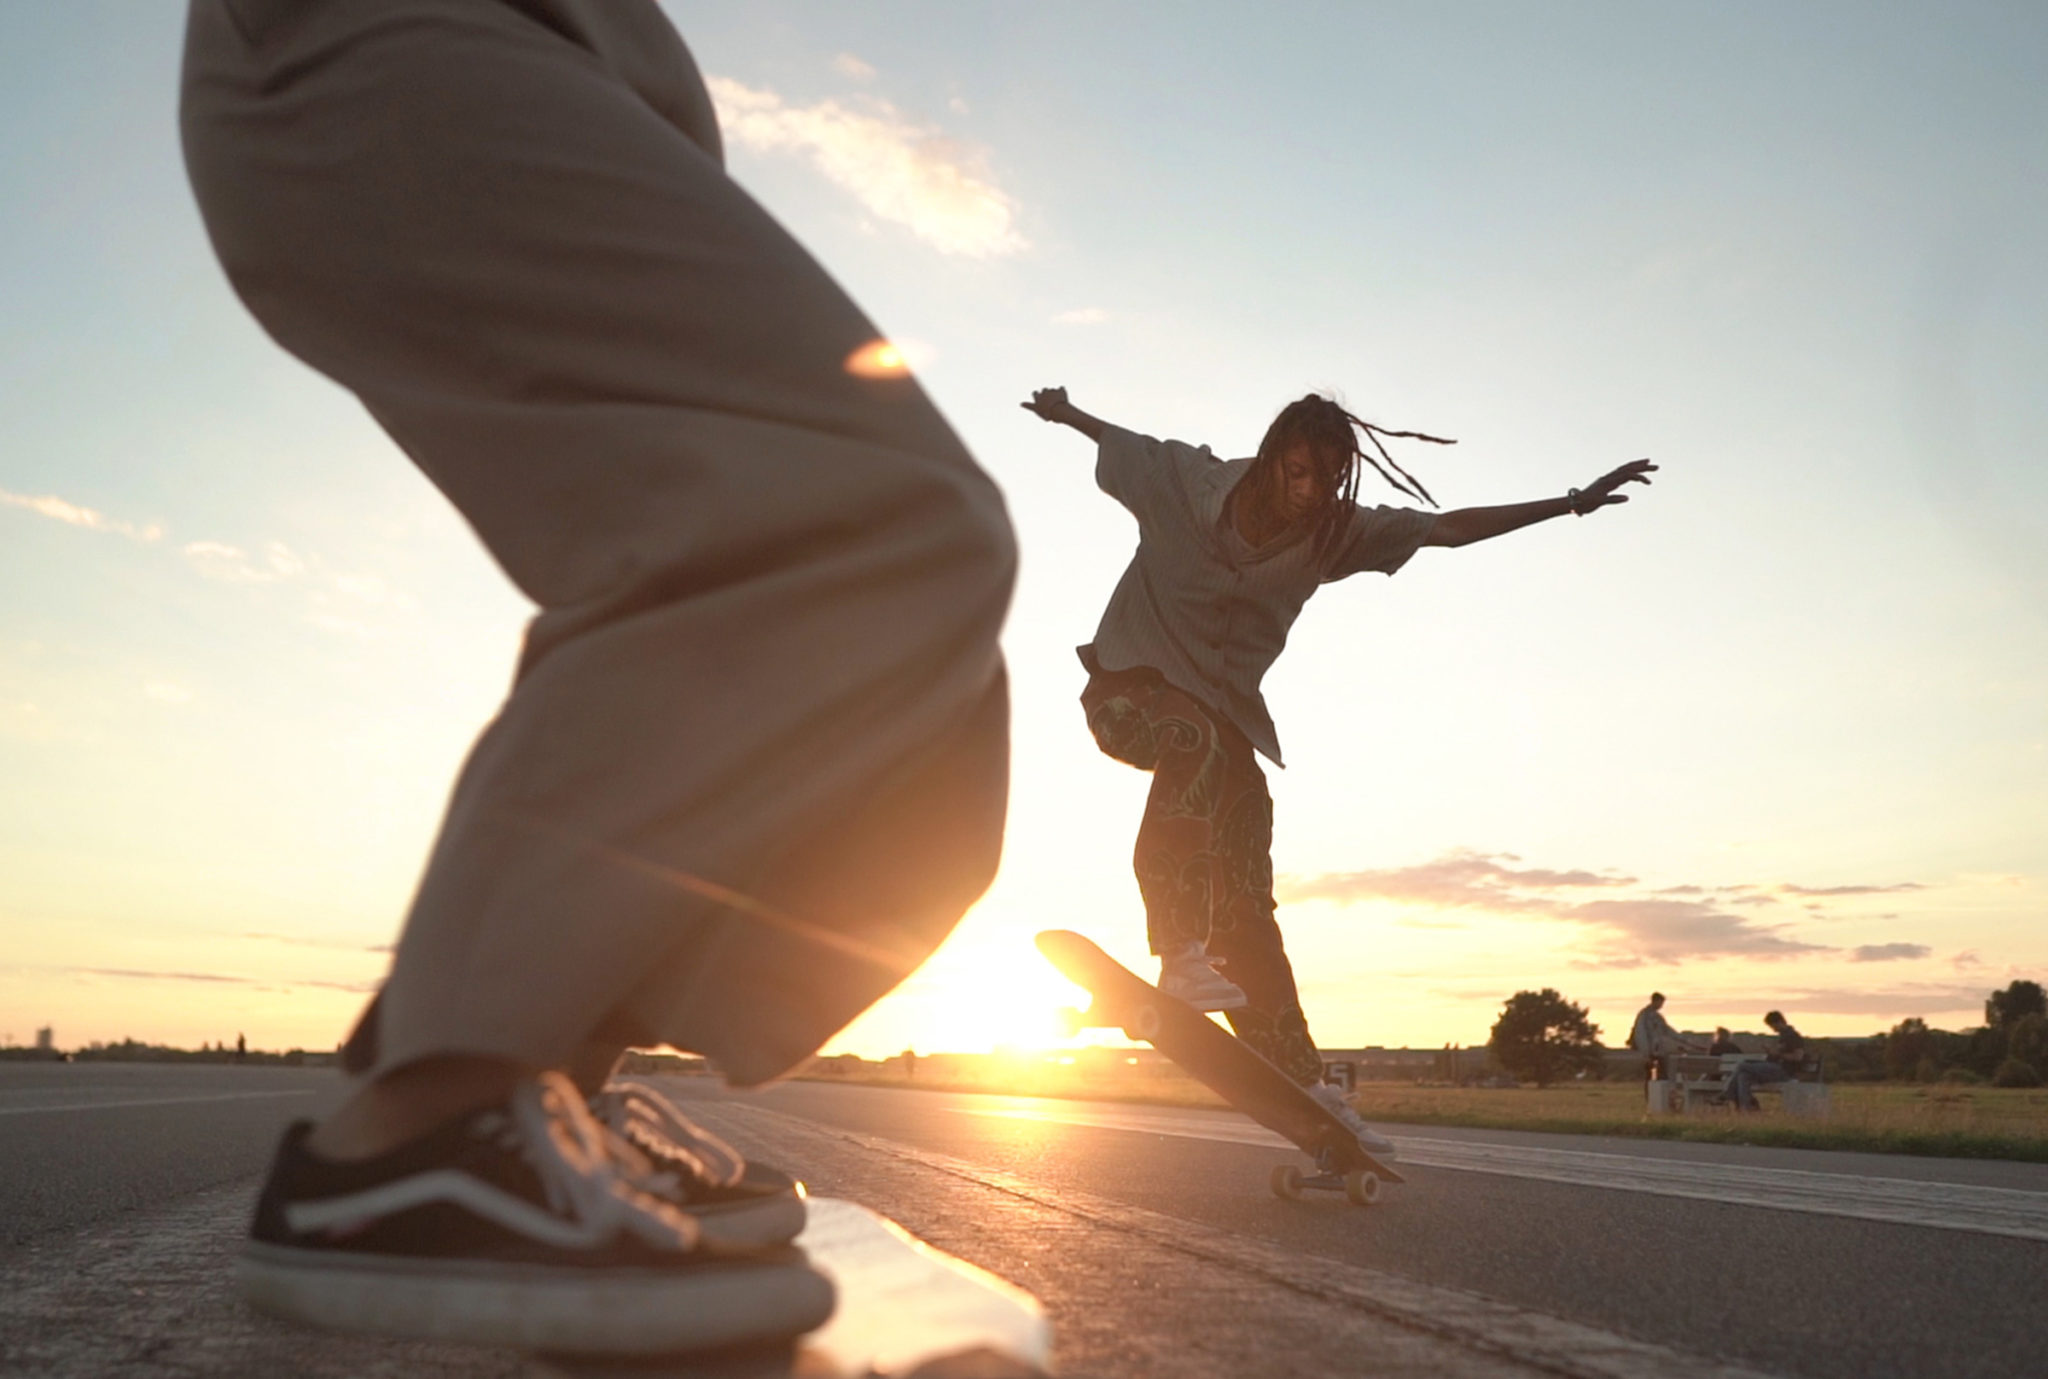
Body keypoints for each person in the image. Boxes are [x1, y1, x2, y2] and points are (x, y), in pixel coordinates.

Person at [181, 0, 1015, 1355]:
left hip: (568, 81)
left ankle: (544, 1077)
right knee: (865, 518)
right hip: (392, 37)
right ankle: (420, 1126)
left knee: (930, 666)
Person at [1022, 385, 1654, 1157]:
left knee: (1249, 896)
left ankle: (1303, 1083)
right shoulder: (1185, 483)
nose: (1310, 494)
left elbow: (1445, 530)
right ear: (1270, 459)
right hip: (1128, 695)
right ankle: (1178, 948)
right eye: (1297, 474)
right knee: (1195, 737)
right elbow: (1115, 437)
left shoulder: (1330, 535)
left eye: (1326, 480)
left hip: (1225, 732)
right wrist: (1066, 412)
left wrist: (1569, 504)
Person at [1725, 1010, 1808, 1111]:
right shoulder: (1782, 1037)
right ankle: (1745, 1108)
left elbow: (1798, 1057)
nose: (1773, 1029)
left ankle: (1726, 1095)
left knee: (1742, 1065)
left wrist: (1778, 1055)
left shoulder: (1794, 1036)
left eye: (1773, 1026)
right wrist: (1771, 1053)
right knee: (1743, 1076)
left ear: (1780, 1022)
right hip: (1774, 1069)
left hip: (1784, 1071)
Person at [1630, 992, 1702, 1079]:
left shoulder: (1657, 1016)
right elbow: (1641, 1035)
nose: (1662, 1006)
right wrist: (1646, 1053)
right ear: (1655, 1001)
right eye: (1661, 1003)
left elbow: (1668, 1031)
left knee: (1661, 1075)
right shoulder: (1644, 1016)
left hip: (1659, 1050)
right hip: (1651, 1051)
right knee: (1650, 1077)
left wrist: (1684, 1040)